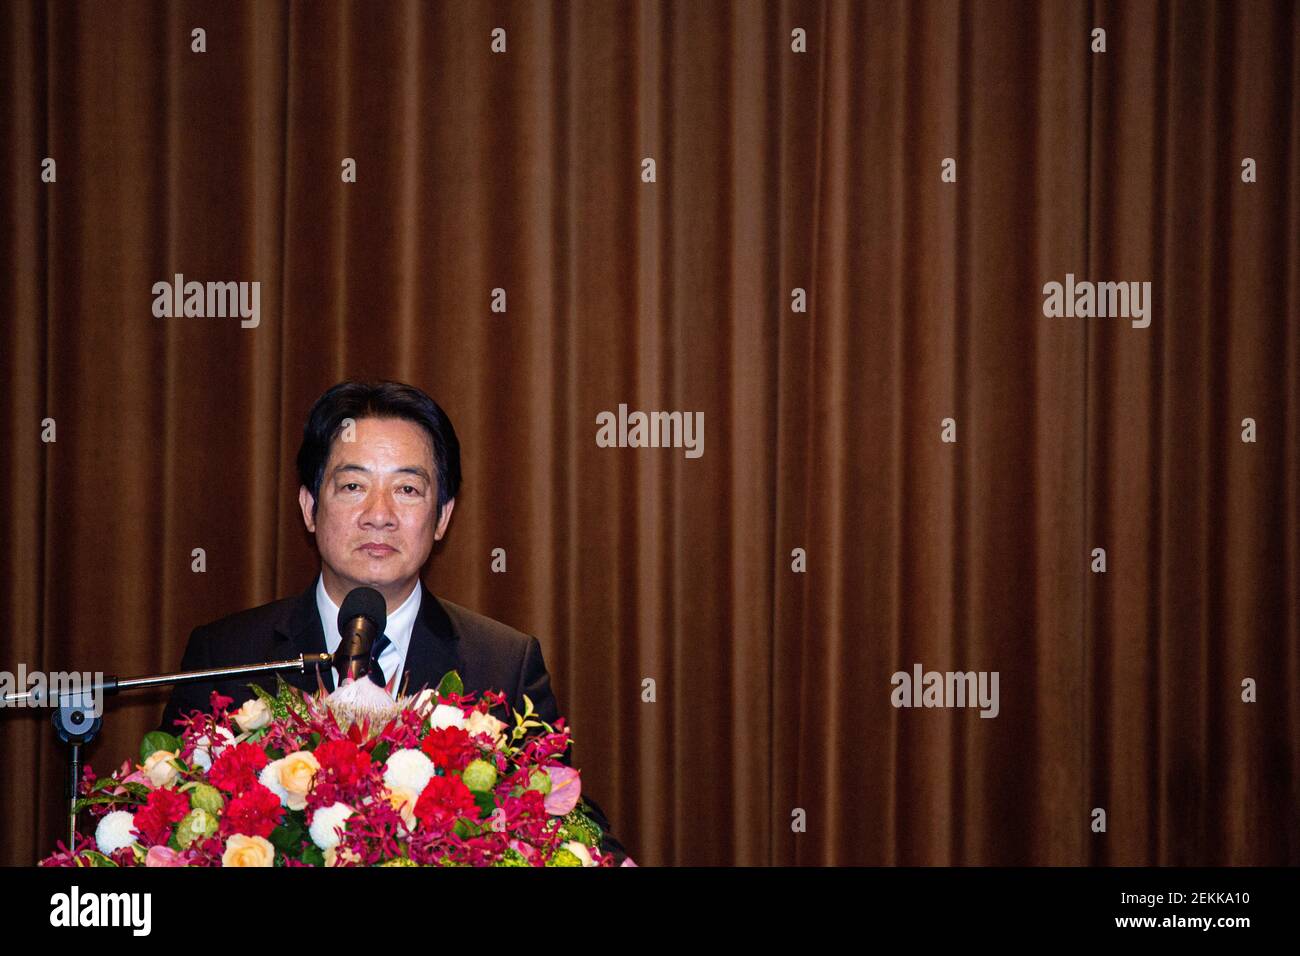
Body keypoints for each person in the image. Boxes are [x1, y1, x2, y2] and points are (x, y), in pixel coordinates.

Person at [158, 379, 626, 861]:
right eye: (354, 486)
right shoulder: (226, 654)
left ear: (442, 517)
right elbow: (170, 826)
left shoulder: (505, 664)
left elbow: (568, 828)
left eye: (406, 488)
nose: (378, 515)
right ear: (309, 507)